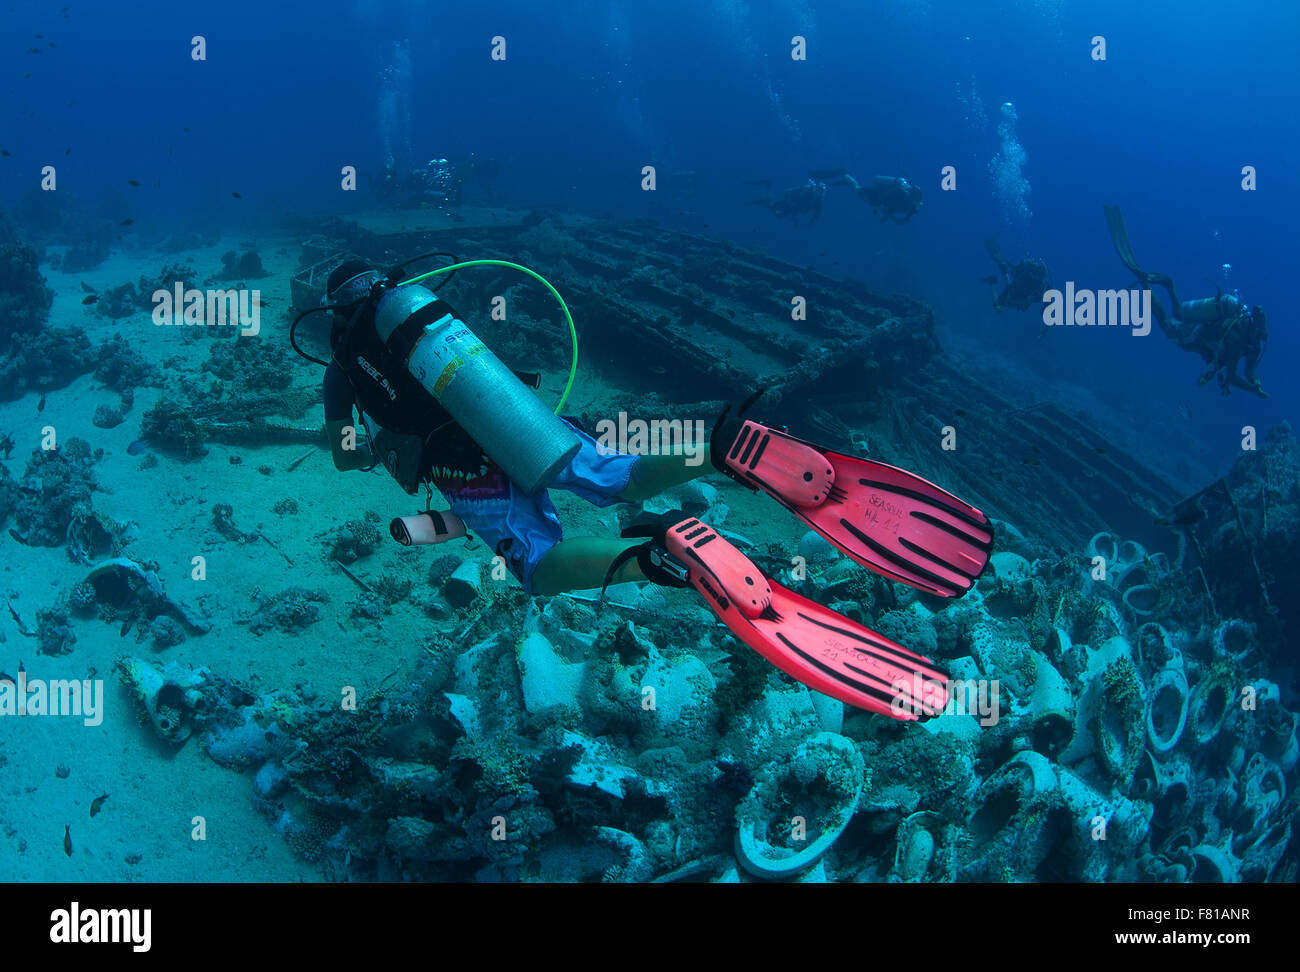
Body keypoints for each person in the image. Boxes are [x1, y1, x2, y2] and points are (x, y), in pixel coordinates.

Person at [316, 261, 994, 720]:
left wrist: (365, 440)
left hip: (461, 467)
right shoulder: (424, 317)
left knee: (539, 564)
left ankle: (660, 556)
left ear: (335, 312)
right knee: (620, 479)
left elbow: (347, 458)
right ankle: (722, 451)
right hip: (523, 420)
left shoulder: (346, 363)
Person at [1105, 206, 1268, 397]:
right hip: (1196, 334)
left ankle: (1161, 285)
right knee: (1169, 327)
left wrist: (1256, 383)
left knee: (1174, 319)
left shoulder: (1254, 344)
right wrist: (1254, 390)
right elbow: (1232, 376)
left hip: (1205, 333)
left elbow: (1249, 372)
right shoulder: (1238, 341)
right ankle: (1154, 285)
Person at [814, 169, 922, 222]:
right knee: (857, 189)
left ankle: (845, 178)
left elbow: (890, 208)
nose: (916, 206)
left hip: (878, 197)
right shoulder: (901, 195)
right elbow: (886, 204)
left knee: (857, 189)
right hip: (875, 196)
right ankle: (844, 175)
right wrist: (892, 217)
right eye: (916, 203)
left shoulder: (908, 204)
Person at [982, 237, 1050, 311]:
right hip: (1015, 292)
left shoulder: (1038, 282)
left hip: (1016, 290)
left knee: (1008, 288)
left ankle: (1002, 266)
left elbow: (1015, 283)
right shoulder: (1038, 282)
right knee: (997, 306)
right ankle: (992, 283)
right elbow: (1015, 287)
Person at [747, 178, 826, 225]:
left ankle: (766, 193)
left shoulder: (819, 201)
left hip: (793, 209)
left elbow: (816, 215)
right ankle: (768, 185)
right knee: (772, 208)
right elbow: (787, 192)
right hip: (788, 204)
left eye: (821, 191)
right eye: (818, 190)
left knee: (777, 215)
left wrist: (809, 224)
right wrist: (791, 205)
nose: (818, 193)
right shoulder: (807, 191)